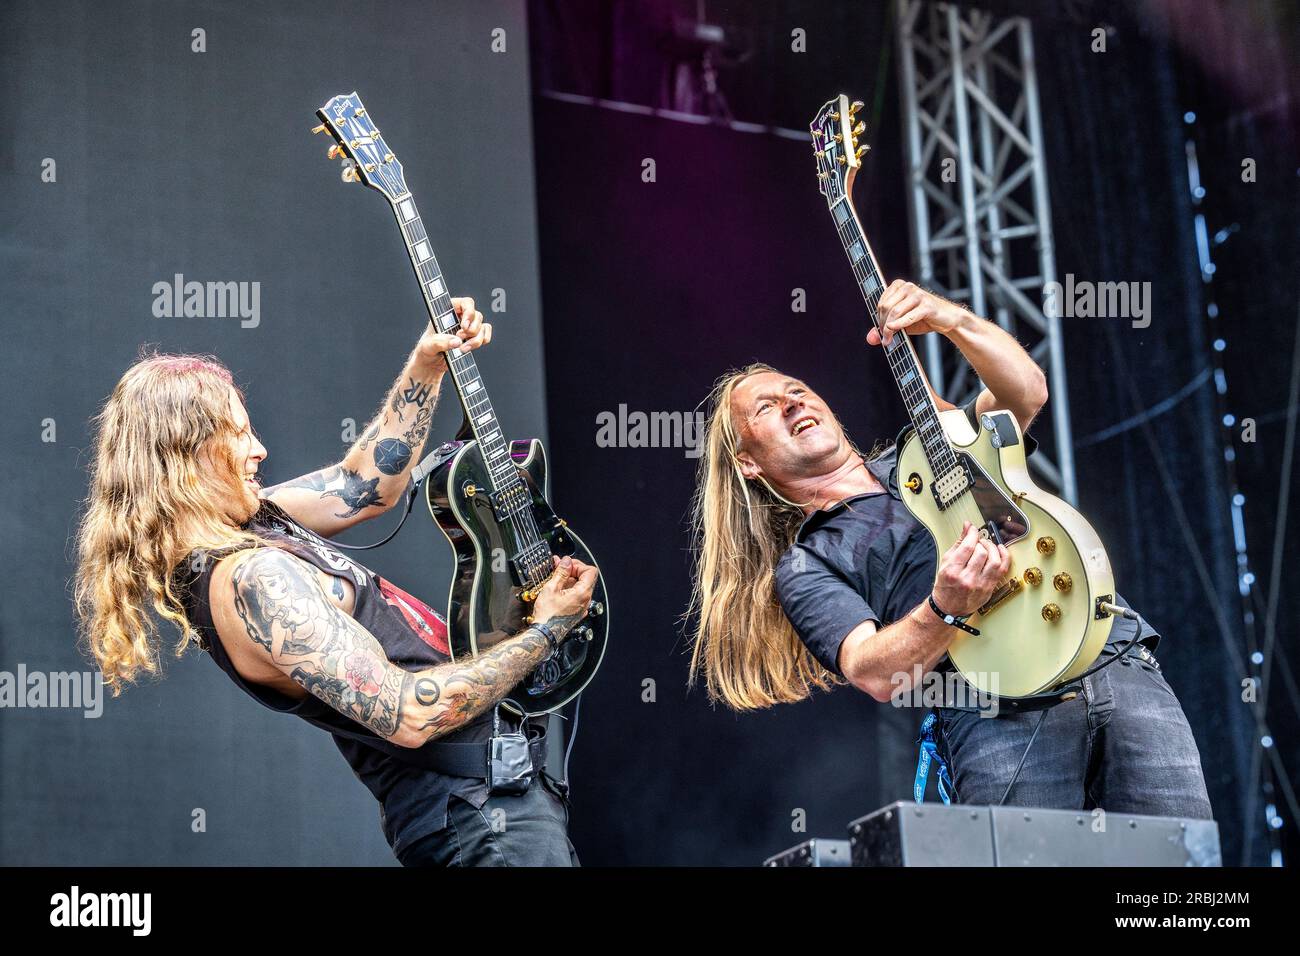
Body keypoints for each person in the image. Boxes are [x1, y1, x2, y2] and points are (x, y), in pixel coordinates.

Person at [75, 297, 598, 865]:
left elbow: (364, 484)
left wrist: (428, 361)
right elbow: (409, 713)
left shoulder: (255, 522)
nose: (259, 449)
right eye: (239, 434)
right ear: (188, 457)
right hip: (476, 817)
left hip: (497, 801)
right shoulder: (251, 581)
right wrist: (547, 630)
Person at [687, 279, 1212, 819]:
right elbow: (871, 671)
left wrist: (947, 317)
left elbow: (1024, 393)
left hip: (1114, 657)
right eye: (766, 407)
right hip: (995, 712)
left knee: (1181, 858)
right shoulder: (808, 561)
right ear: (748, 462)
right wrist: (944, 608)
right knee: (1031, 858)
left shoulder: (926, 451)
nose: (792, 402)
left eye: (796, 389)